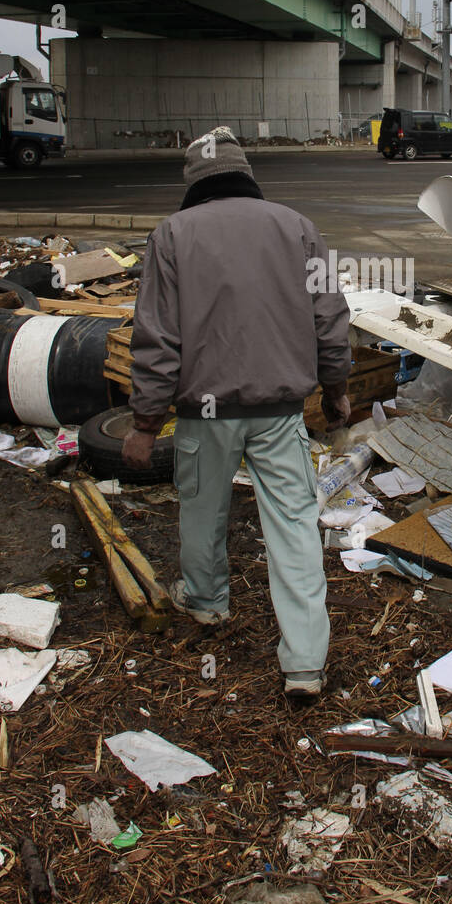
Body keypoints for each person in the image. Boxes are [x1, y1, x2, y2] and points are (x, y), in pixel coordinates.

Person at [121, 127, 351, 699]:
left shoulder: (171, 234)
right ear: (246, 174)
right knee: (295, 528)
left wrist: (145, 423)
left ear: (194, 182)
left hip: (205, 412)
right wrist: (337, 388)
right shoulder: (296, 227)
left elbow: (157, 339)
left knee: (202, 513)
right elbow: (330, 317)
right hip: (279, 411)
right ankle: (304, 663)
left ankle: (205, 604)